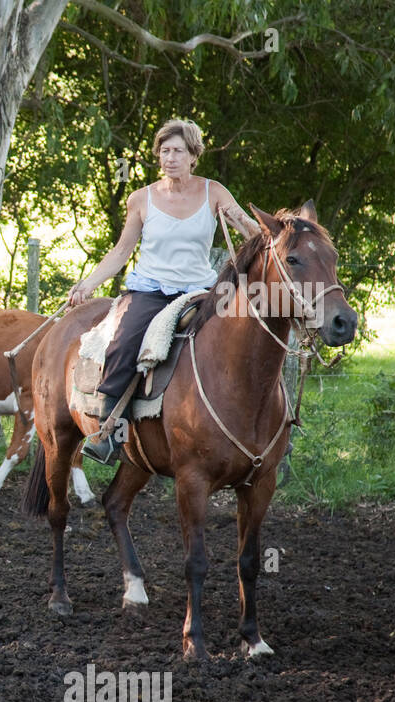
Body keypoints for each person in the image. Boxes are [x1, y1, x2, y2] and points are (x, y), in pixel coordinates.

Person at [66, 118, 261, 464]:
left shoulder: (213, 192)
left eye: (178, 151)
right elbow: (122, 251)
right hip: (150, 290)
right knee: (123, 341)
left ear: (193, 156)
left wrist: (246, 224)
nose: (170, 158)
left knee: (245, 336)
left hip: (200, 292)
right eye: (165, 151)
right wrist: (88, 285)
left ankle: (267, 427)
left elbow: (253, 237)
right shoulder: (141, 199)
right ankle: (109, 433)